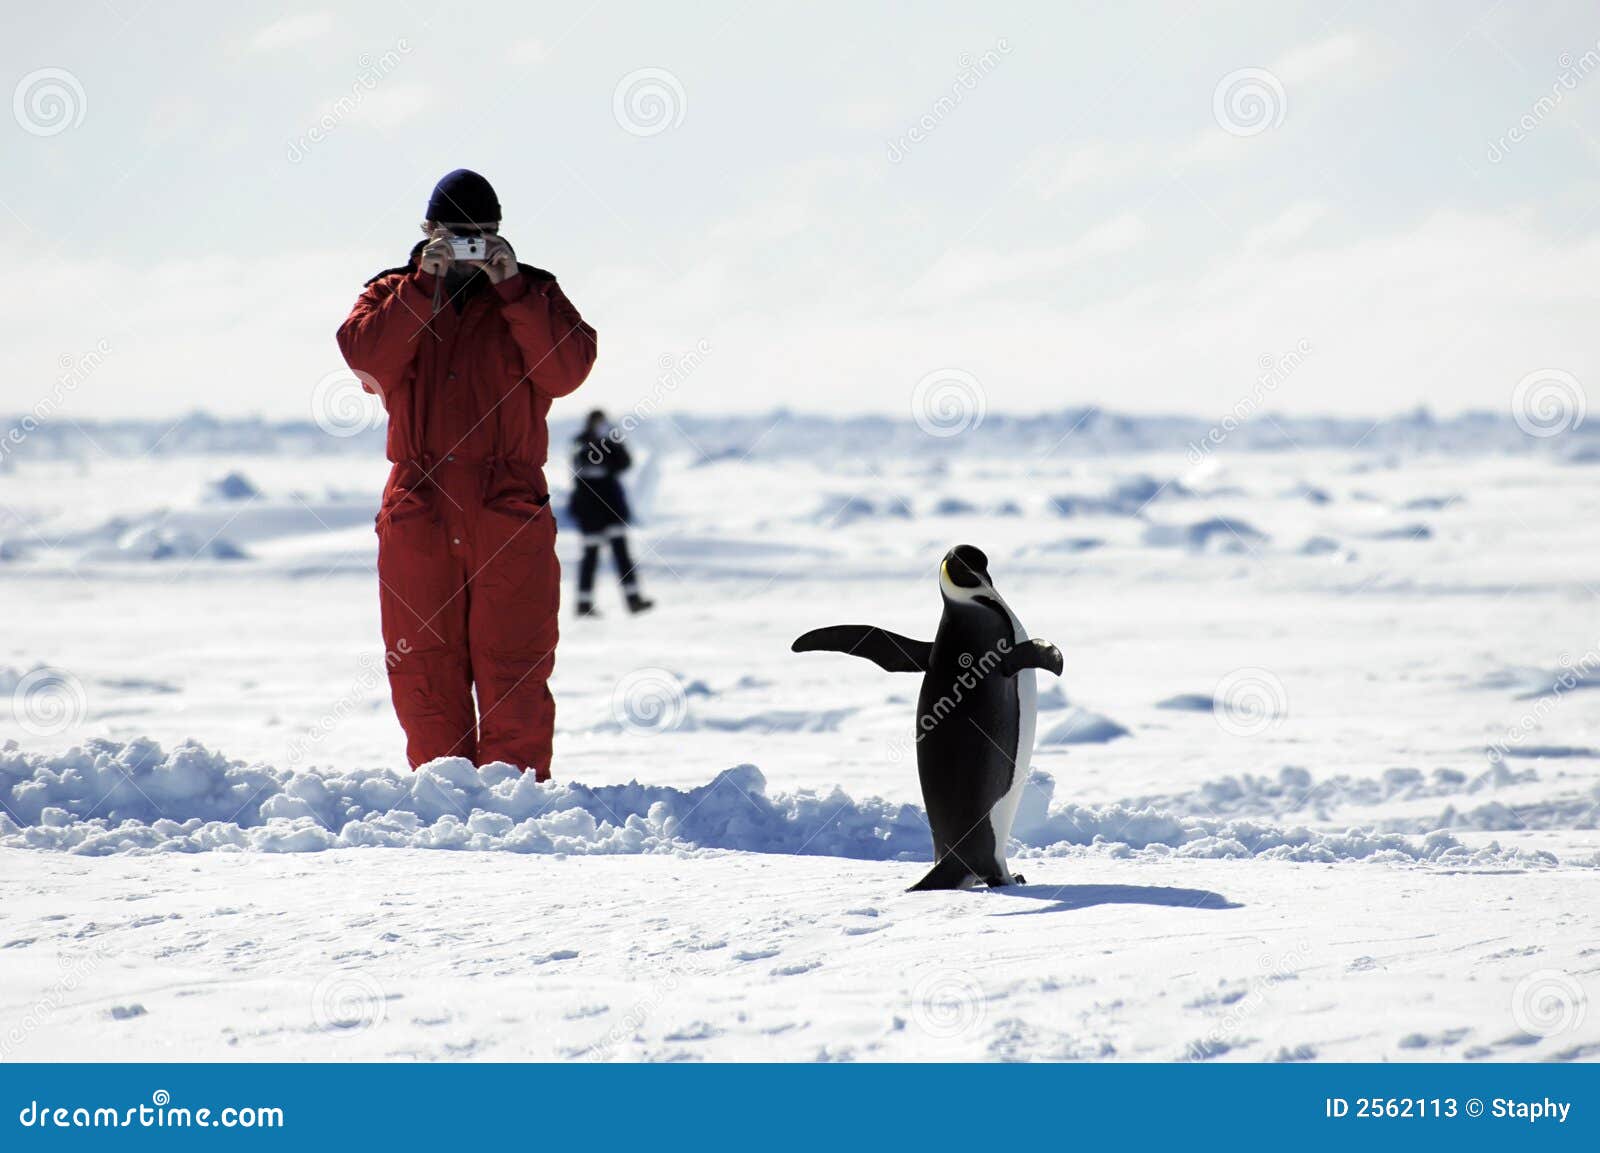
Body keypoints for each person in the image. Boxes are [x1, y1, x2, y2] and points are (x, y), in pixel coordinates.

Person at [335, 168, 596, 781]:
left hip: (508, 510)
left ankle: (514, 800)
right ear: (428, 231)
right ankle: (444, 796)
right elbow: (366, 359)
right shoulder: (394, 292)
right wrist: (423, 285)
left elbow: (568, 371)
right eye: (457, 234)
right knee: (424, 663)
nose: (469, 247)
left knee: (515, 663)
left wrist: (514, 292)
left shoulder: (533, 293)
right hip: (419, 509)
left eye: (483, 235)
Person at [569, 410, 653, 617]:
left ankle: (633, 600)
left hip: (612, 511)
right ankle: (584, 603)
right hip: (591, 514)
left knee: (623, 557)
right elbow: (584, 464)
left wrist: (613, 440)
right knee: (590, 558)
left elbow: (624, 464)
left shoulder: (611, 444)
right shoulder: (581, 443)